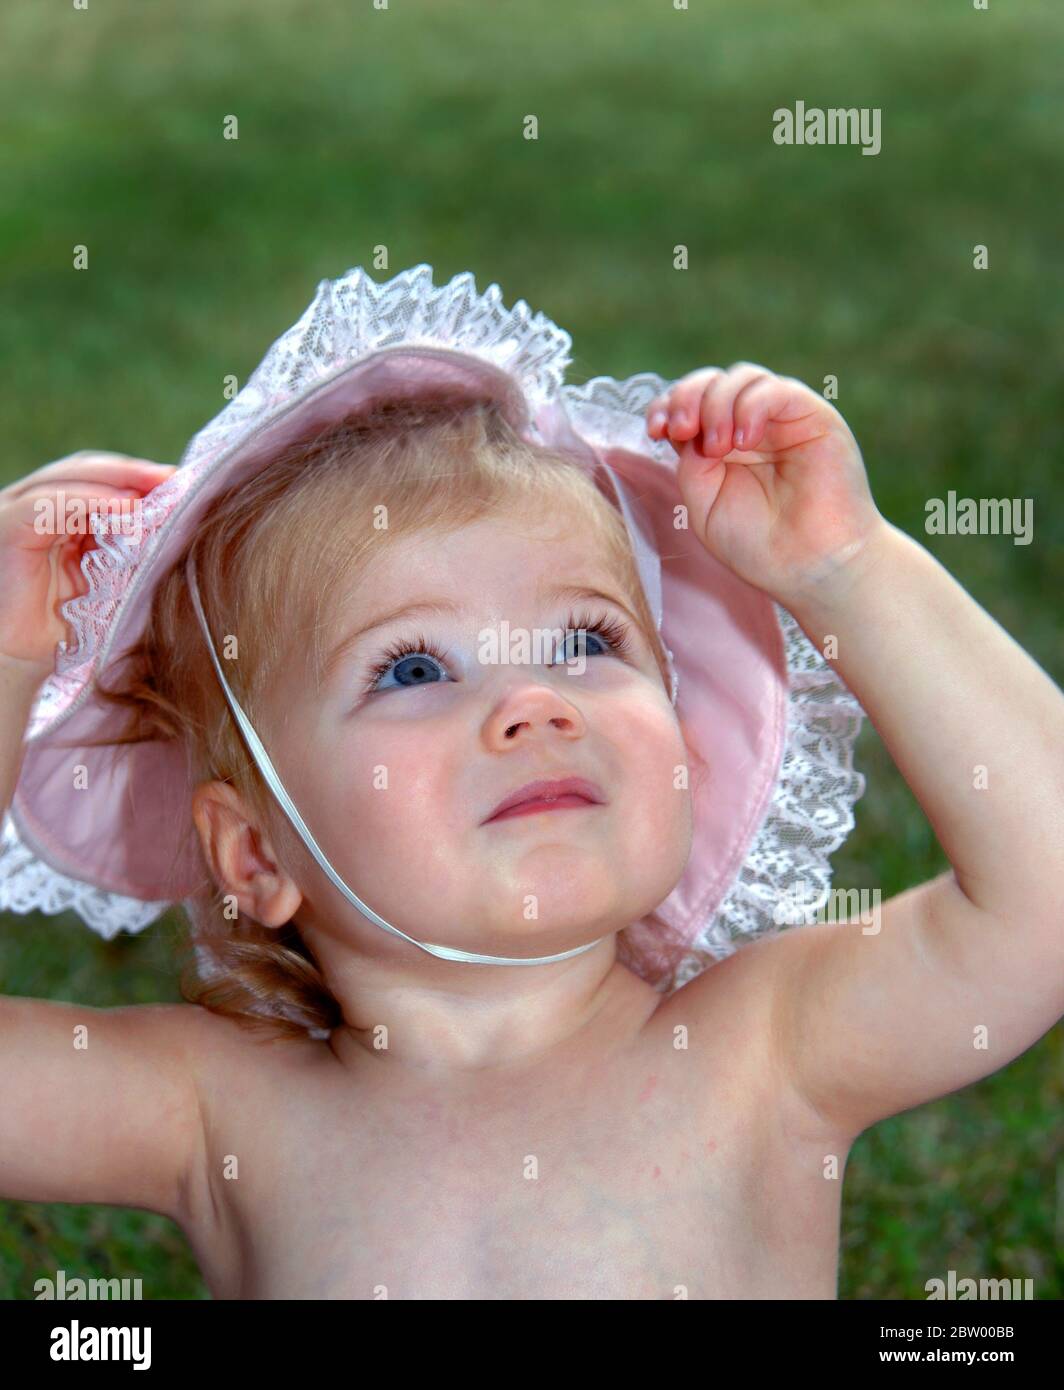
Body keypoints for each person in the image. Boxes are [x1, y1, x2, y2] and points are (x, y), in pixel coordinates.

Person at [1, 264, 1061, 1299]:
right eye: (413, 667)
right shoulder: (216, 1112)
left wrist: (845, 569)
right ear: (257, 853)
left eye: (586, 640)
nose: (533, 704)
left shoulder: (759, 1049)